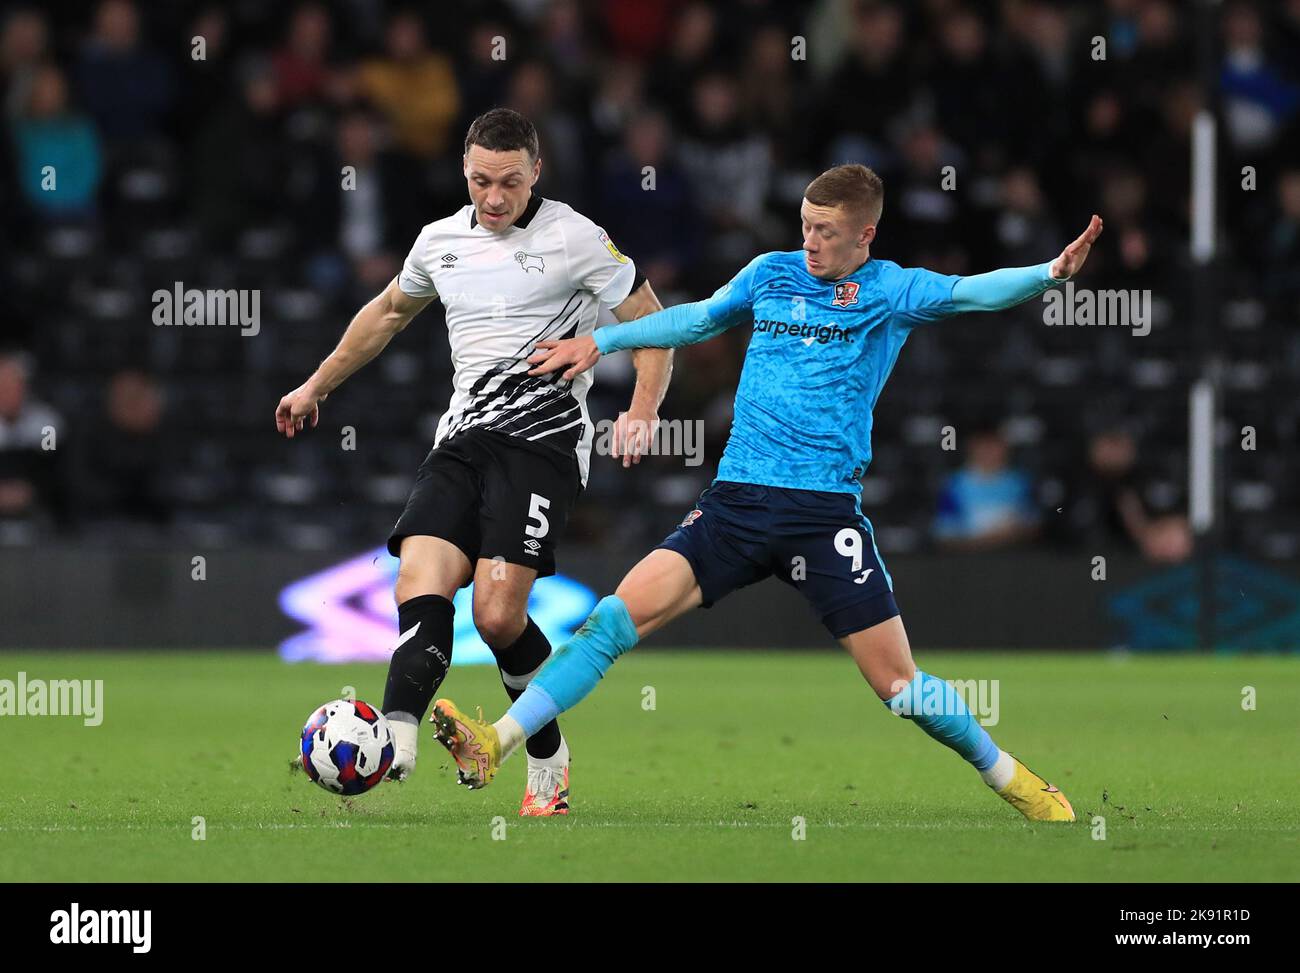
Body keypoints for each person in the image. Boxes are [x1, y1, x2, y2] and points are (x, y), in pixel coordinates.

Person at [431, 163, 1103, 823]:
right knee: (611, 621)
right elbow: (695, 320)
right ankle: (498, 742)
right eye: (806, 225)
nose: (809, 241)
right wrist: (603, 340)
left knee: (898, 687)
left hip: (822, 515)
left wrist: (1049, 274)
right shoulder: (772, 273)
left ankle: (1011, 777)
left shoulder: (890, 289)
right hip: (735, 506)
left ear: (865, 235)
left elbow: (970, 292)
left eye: (826, 232)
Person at [276, 109, 673, 816]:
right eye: (482, 182)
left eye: (510, 184)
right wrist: (316, 385)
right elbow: (389, 312)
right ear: (466, 173)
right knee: (419, 584)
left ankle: (548, 760)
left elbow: (654, 324)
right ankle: (393, 743)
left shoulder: (576, 238)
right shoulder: (440, 241)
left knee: (495, 616)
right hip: (460, 440)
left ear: (536, 174)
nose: (494, 198)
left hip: (543, 443)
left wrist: (642, 409)